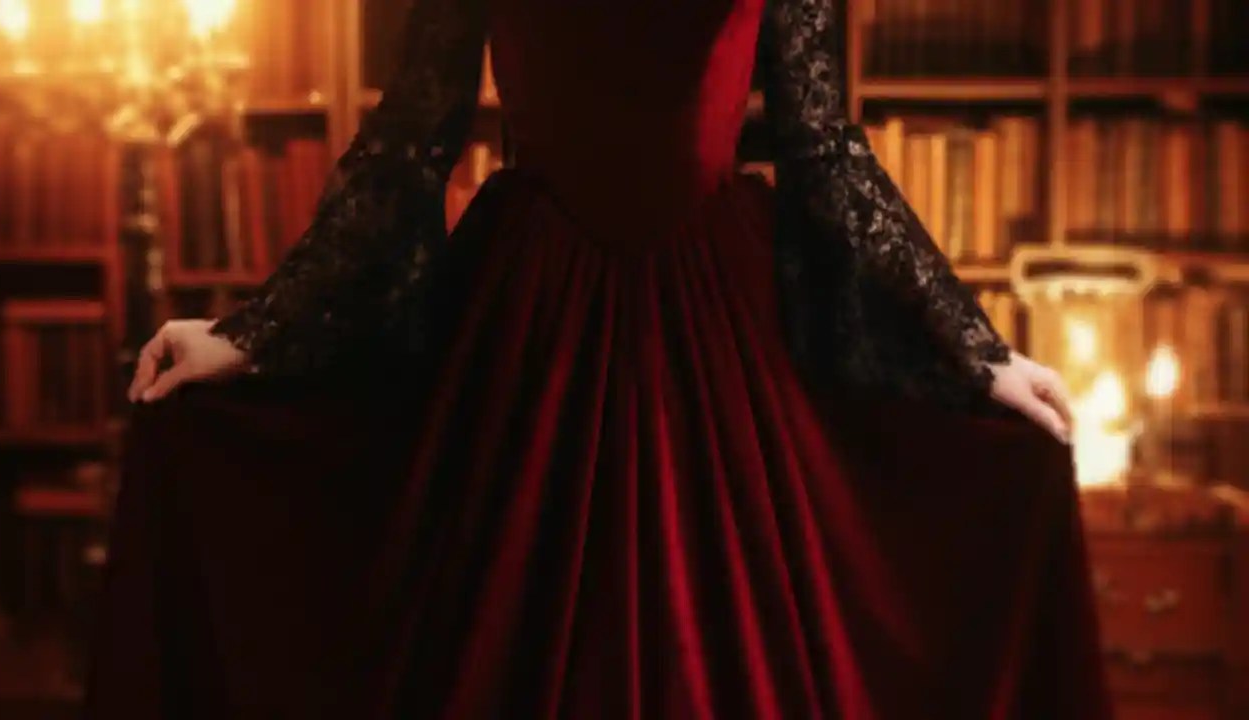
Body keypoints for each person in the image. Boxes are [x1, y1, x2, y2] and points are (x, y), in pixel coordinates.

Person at [85, 0, 1111, 717]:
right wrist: (249, 336)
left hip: (694, 317)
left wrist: (976, 358)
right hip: (530, 328)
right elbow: (410, 139)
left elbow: (820, 151)